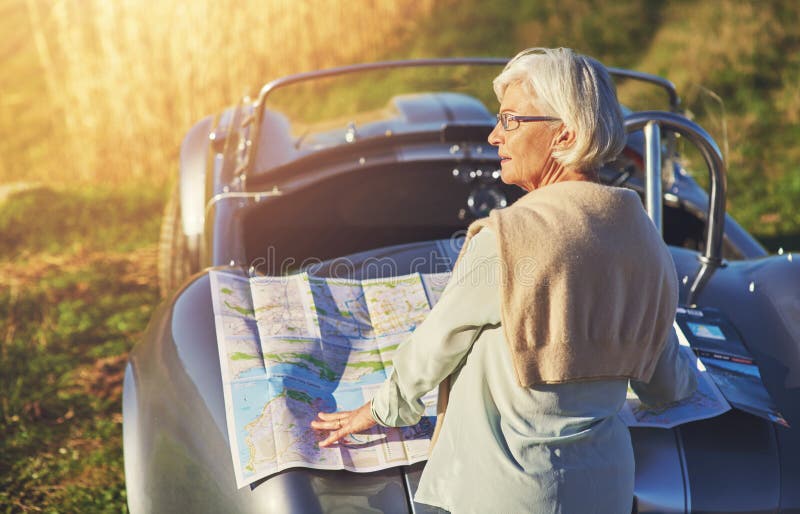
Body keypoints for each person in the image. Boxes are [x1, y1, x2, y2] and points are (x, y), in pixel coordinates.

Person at [311, 47, 697, 513]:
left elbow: (436, 344)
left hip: (505, 495)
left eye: (512, 121)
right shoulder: (645, 240)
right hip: (606, 493)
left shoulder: (511, 240)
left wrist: (379, 410)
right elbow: (666, 381)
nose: (496, 135)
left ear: (565, 133)